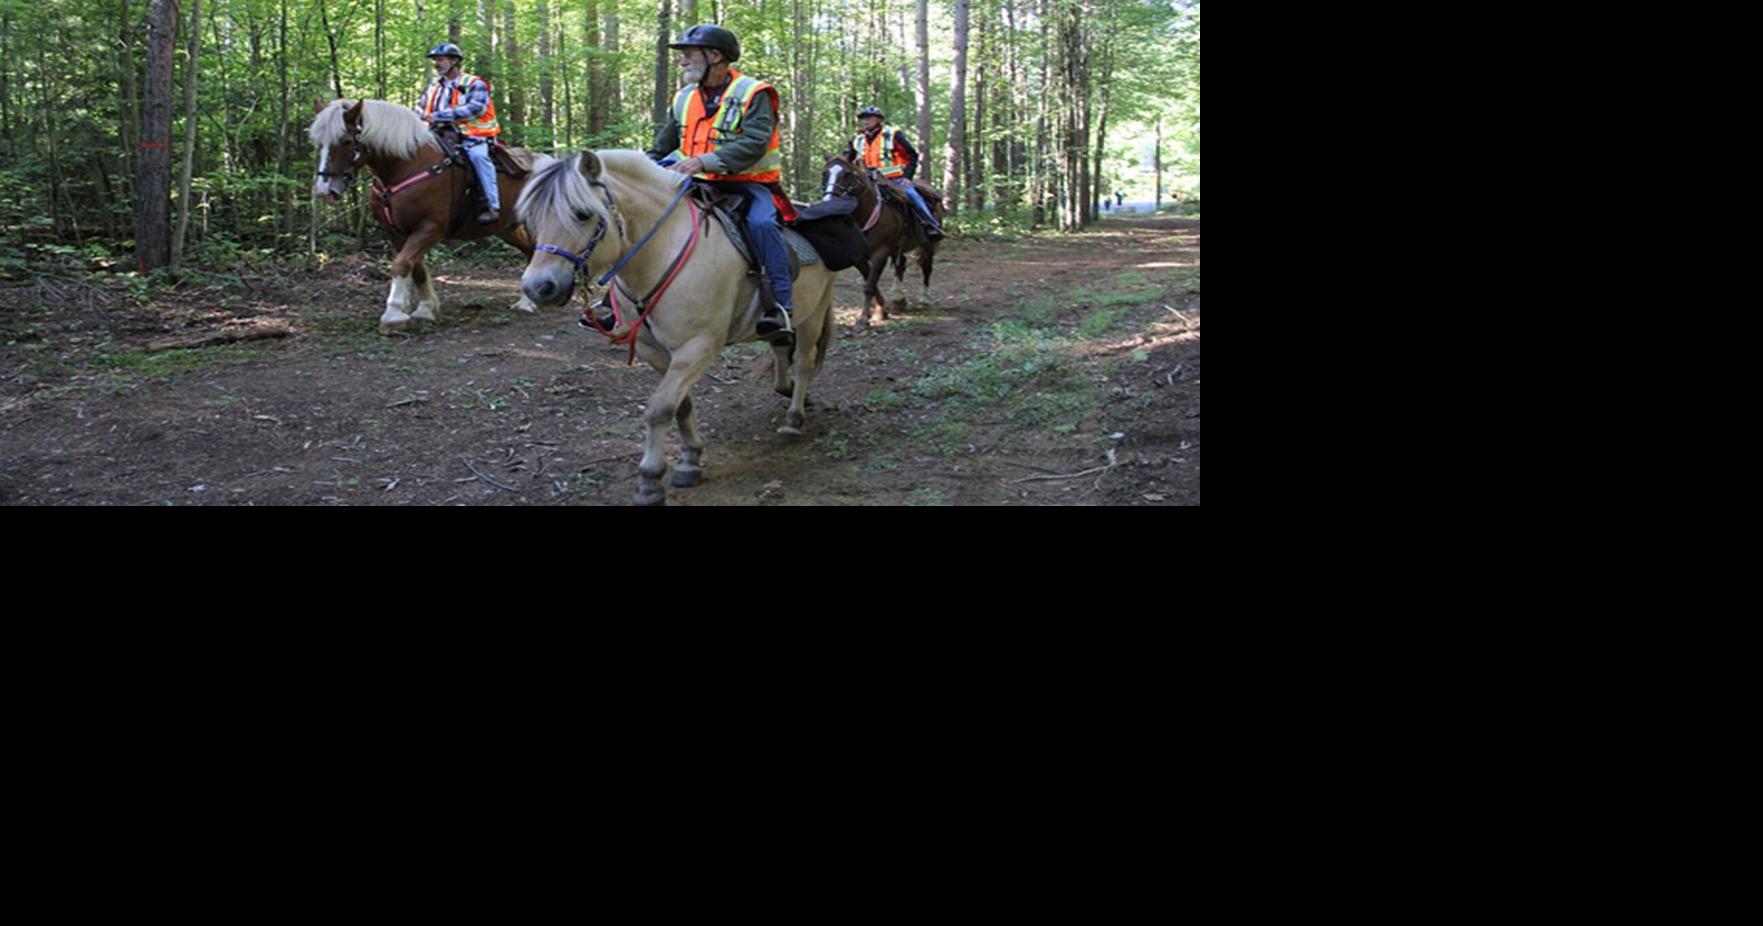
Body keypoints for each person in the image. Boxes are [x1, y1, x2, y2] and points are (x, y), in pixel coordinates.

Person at [646, 24, 795, 342]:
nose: (683, 62)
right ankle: (616, 301)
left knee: (763, 225)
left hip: (746, 183)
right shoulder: (685, 96)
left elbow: (755, 143)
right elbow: (664, 142)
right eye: (683, 56)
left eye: (689, 55)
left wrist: (704, 161)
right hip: (693, 180)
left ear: (715, 56)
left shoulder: (755, 93)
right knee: (642, 210)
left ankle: (781, 306)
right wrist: (643, 167)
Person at [416, 42, 503, 224]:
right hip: (437, 134)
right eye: (435, 60)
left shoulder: (474, 83)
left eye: (440, 60)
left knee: (479, 158)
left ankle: (491, 204)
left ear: (454, 61)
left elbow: (476, 109)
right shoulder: (433, 87)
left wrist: (438, 116)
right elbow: (420, 107)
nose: (436, 64)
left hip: (472, 136)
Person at [850, 106, 944, 241]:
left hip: (894, 179)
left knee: (912, 195)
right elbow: (848, 158)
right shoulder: (858, 139)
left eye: (869, 118)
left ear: (878, 120)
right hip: (869, 179)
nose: (865, 121)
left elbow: (912, 155)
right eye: (863, 118)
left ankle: (930, 225)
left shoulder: (892, 135)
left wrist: (907, 177)